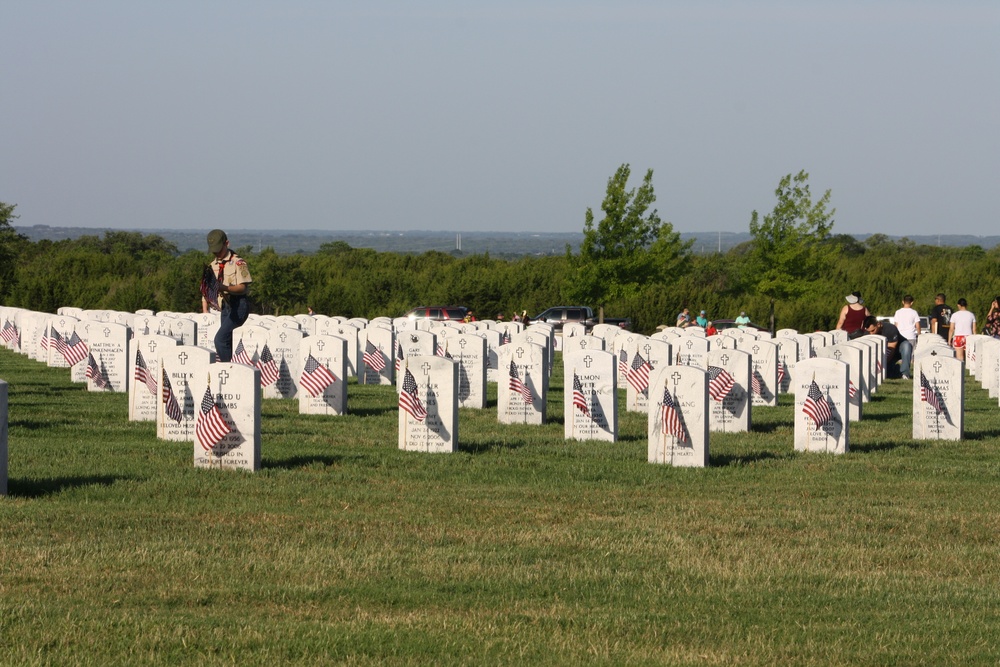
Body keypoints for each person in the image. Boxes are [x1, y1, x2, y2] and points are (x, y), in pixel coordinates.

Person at [202, 229, 252, 362]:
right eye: (214, 250)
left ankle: (228, 369)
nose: (216, 253)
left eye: (219, 249)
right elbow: (206, 289)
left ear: (227, 244)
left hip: (239, 305)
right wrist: (206, 306)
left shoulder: (238, 263)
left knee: (220, 339)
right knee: (227, 342)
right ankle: (230, 371)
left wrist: (224, 288)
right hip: (225, 306)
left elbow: (243, 287)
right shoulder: (212, 266)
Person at [893, 295, 921, 379]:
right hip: (911, 336)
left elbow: (896, 325)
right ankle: (905, 373)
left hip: (900, 335)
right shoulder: (914, 312)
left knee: (900, 355)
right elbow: (917, 325)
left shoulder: (898, 312)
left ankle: (899, 371)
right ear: (912, 302)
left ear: (903, 301)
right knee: (909, 357)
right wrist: (919, 334)